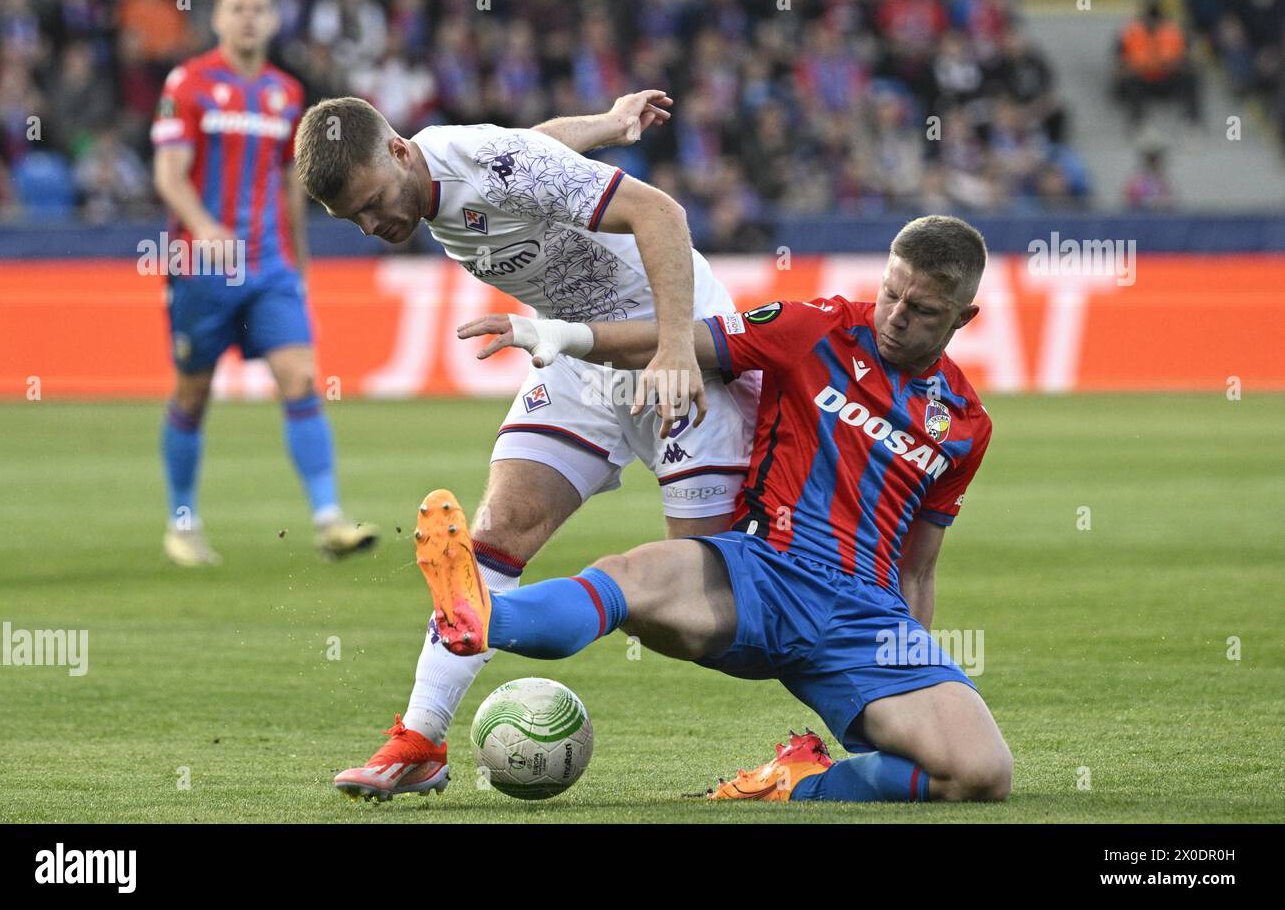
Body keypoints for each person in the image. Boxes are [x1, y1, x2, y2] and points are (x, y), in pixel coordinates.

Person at [433, 214, 1012, 803]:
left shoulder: (966, 425)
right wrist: (565, 336)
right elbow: (681, 337)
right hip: (762, 572)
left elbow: (918, 568)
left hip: (865, 618)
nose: (896, 315)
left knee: (981, 774)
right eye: (891, 292)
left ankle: (799, 784)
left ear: (964, 317)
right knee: (624, 578)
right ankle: (479, 615)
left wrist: (903, 664)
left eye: (923, 310)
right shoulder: (816, 328)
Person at [294, 91, 761, 799]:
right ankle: (420, 739)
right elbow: (535, 146)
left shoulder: (481, 162)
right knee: (497, 531)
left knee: (709, 609)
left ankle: (839, 725)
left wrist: (673, 348)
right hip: (584, 355)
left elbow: (661, 212)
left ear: (397, 152)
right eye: (352, 218)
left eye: (370, 202)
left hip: (680, 348)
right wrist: (604, 125)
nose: (369, 225)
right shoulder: (454, 170)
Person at [151, 0, 377, 566]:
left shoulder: (285, 93)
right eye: (236, 8)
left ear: (274, 20)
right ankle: (183, 520)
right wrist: (203, 228)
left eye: (258, 8)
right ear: (218, 19)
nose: (248, 18)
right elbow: (169, 174)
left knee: (300, 377)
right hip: (202, 269)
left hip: (271, 267)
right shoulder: (190, 83)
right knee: (193, 394)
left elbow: (289, 185)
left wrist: (299, 266)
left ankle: (329, 519)